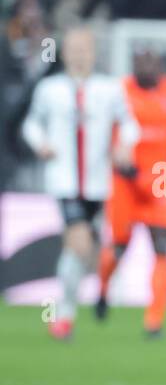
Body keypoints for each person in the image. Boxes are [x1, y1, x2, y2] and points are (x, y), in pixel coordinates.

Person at [20, 26, 137, 340]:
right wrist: (41, 144)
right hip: (65, 181)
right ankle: (63, 315)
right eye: (73, 49)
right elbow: (31, 124)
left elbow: (129, 123)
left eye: (85, 48)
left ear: (93, 52)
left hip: (98, 184)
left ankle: (77, 305)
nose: (79, 54)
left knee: (85, 251)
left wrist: (124, 146)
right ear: (65, 53)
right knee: (80, 240)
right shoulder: (50, 89)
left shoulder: (109, 89)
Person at [97, 47, 166, 337]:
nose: (147, 68)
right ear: (133, 65)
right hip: (126, 182)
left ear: (161, 65)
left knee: (164, 249)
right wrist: (118, 159)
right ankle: (102, 290)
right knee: (118, 248)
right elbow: (104, 134)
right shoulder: (119, 92)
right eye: (141, 62)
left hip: (161, 183)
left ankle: (154, 321)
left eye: (152, 62)